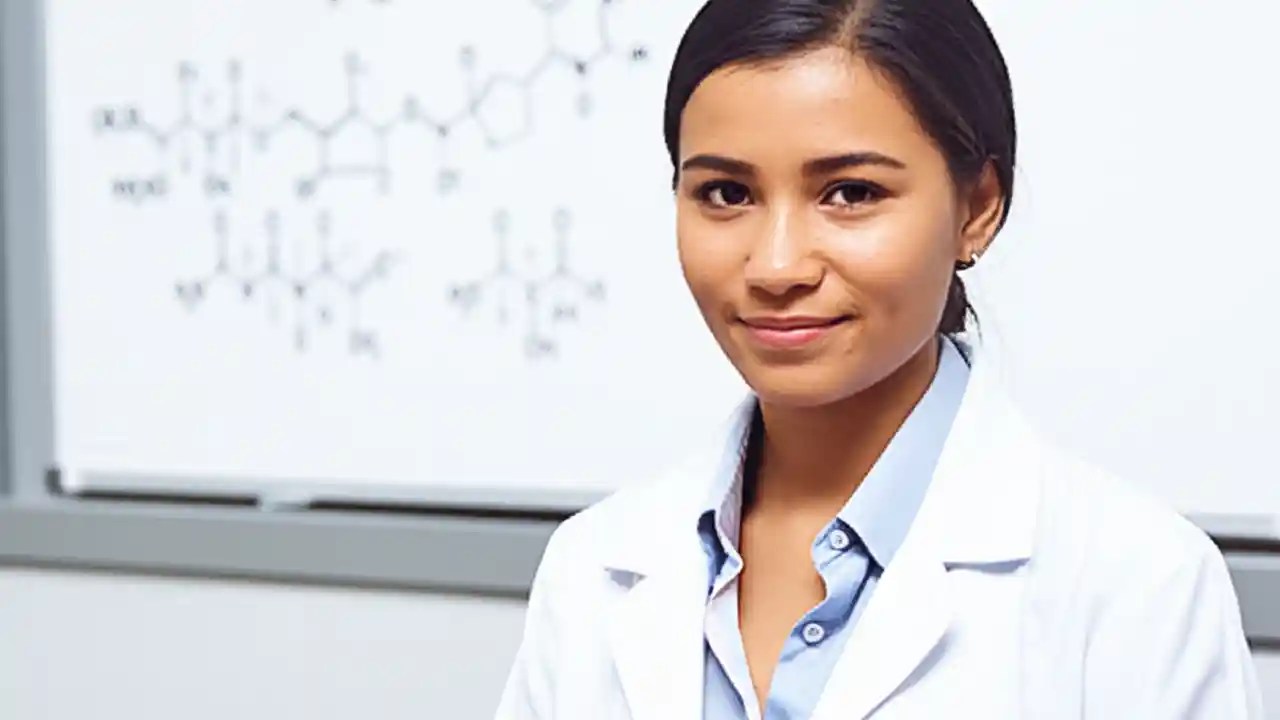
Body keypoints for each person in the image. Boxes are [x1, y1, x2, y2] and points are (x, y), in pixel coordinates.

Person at [496, 0, 1264, 717]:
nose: (776, 265)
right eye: (727, 194)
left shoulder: (1138, 585)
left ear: (977, 207)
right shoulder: (593, 567)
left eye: (851, 193)